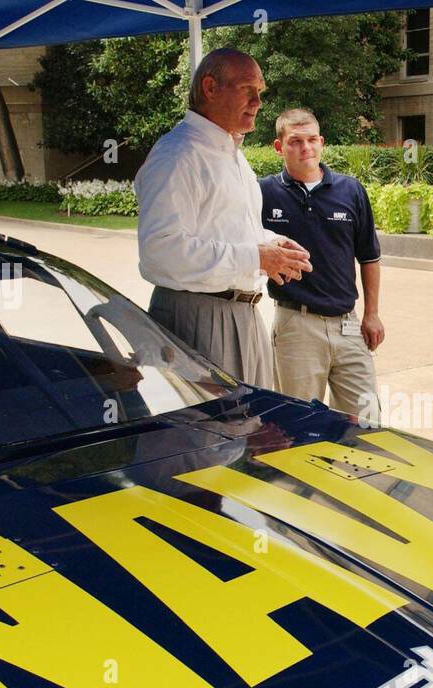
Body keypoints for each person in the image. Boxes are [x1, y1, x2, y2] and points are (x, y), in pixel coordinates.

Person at [134, 47, 311, 388]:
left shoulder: (231, 155)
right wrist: (256, 256)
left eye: (260, 92)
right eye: (248, 90)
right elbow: (161, 250)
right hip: (198, 317)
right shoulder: (178, 155)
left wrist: (270, 244)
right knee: (210, 437)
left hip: (241, 316)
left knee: (249, 433)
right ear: (210, 88)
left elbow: (223, 228)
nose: (258, 102)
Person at [259, 109, 383, 416]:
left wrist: (372, 314)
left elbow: (369, 256)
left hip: (348, 324)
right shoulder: (264, 193)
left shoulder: (350, 190)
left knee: (366, 421)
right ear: (279, 147)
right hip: (296, 324)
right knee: (298, 423)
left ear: (321, 142)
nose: (306, 148)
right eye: (296, 141)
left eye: (312, 140)